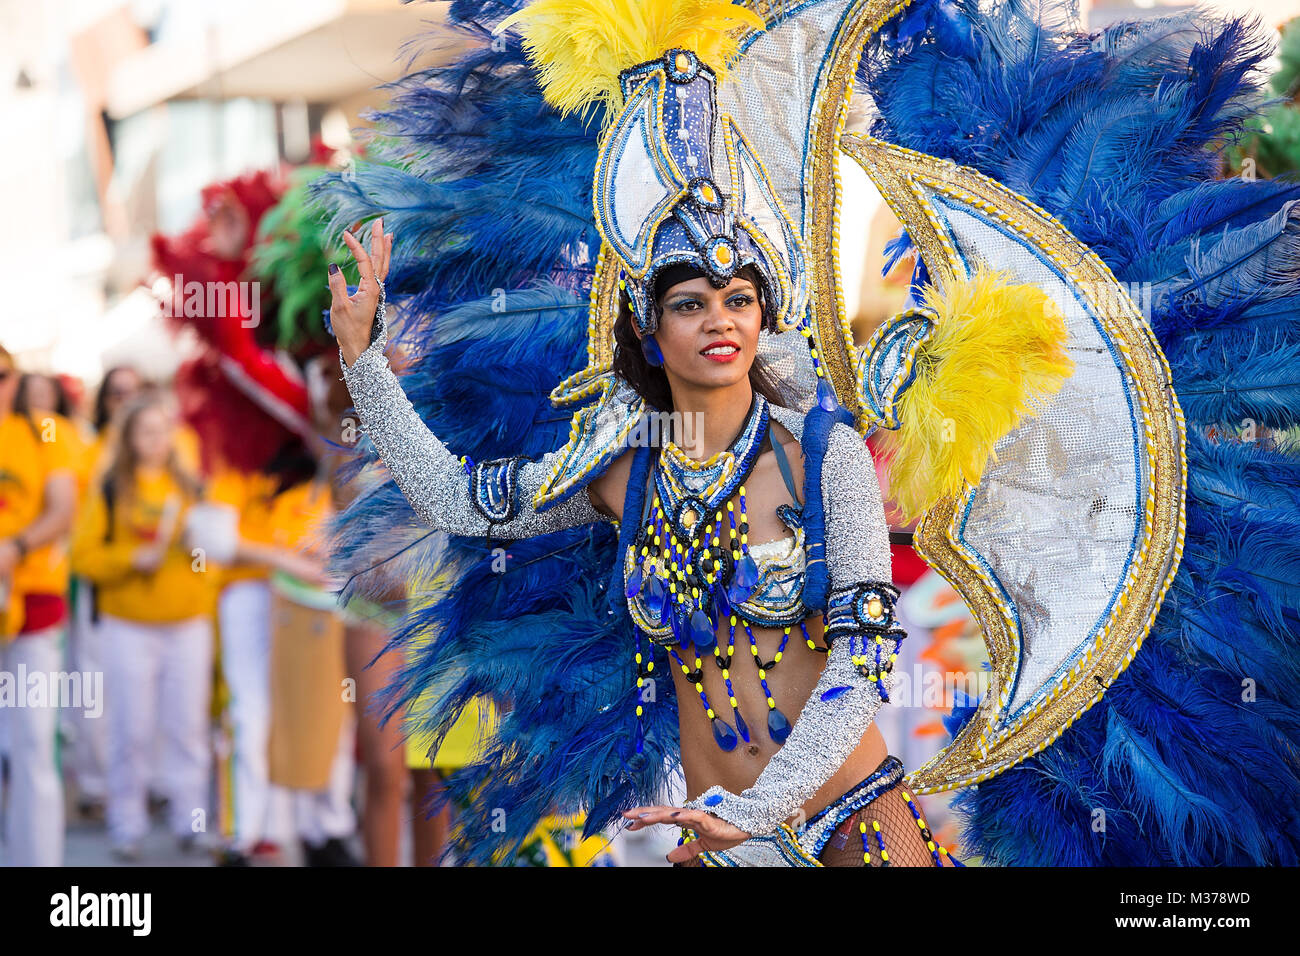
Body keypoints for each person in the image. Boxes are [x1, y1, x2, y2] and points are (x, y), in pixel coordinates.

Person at [318, 0, 1300, 867]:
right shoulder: (619, 467)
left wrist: (767, 805)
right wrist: (364, 361)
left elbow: (863, 663)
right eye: (691, 300)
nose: (719, 317)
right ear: (650, 329)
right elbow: (456, 499)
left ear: (763, 313)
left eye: (739, 297)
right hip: (714, 827)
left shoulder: (820, 451)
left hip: (846, 819)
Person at [70, 392, 218, 861]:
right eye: (147, 431)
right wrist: (133, 559)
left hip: (188, 623)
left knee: (187, 728)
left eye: (163, 430)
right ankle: (126, 825)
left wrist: (200, 549)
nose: (158, 440)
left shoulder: (193, 486)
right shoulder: (111, 488)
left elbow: (212, 562)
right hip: (128, 625)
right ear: (130, 437)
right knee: (130, 728)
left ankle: (189, 820)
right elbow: (83, 557)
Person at [0, 348, 79, 866]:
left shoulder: (45, 432)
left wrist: (14, 549)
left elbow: (63, 507)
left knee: (31, 747)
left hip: (31, 604)